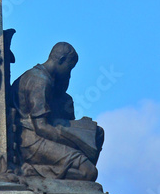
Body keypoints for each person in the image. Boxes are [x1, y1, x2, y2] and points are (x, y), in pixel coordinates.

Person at [14, 42, 104, 181]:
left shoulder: (46, 79)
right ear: (61, 60)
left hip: (39, 135)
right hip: (30, 141)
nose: (69, 73)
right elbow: (41, 127)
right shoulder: (39, 80)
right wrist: (78, 141)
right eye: (69, 67)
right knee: (89, 172)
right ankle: (30, 171)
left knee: (97, 133)